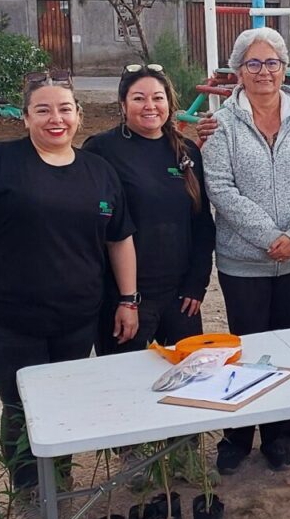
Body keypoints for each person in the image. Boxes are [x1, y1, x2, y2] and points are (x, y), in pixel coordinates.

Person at [0, 71, 139, 488]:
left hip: (75, 316)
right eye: (42, 110)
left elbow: (120, 239)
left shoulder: (98, 172)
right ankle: (29, 491)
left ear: (78, 116)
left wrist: (128, 300)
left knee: (63, 401)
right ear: (25, 118)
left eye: (64, 109)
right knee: (21, 406)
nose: (54, 118)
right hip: (8, 318)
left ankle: (58, 482)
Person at [202, 27, 290, 473]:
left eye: (272, 62)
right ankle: (237, 436)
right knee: (245, 350)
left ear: (283, 68)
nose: (263, 72)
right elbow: (220, 188)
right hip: (245, 264)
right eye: (253, 64)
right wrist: (267, 237)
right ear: (239, 71)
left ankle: (280, 435)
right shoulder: (221, 125)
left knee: (287, 349)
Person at [83, 65, 214, 354]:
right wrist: (122, 299)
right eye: (139, 98)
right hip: (125, 299)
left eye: (158, 97)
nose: (150, 106)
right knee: (126, 388)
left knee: (190, 381)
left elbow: (203, 224)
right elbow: (94, 228)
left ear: (169, 102)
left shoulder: (186, 151)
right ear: (123, 104)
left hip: (180, 298)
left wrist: (196, 285)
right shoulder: (101, 150)